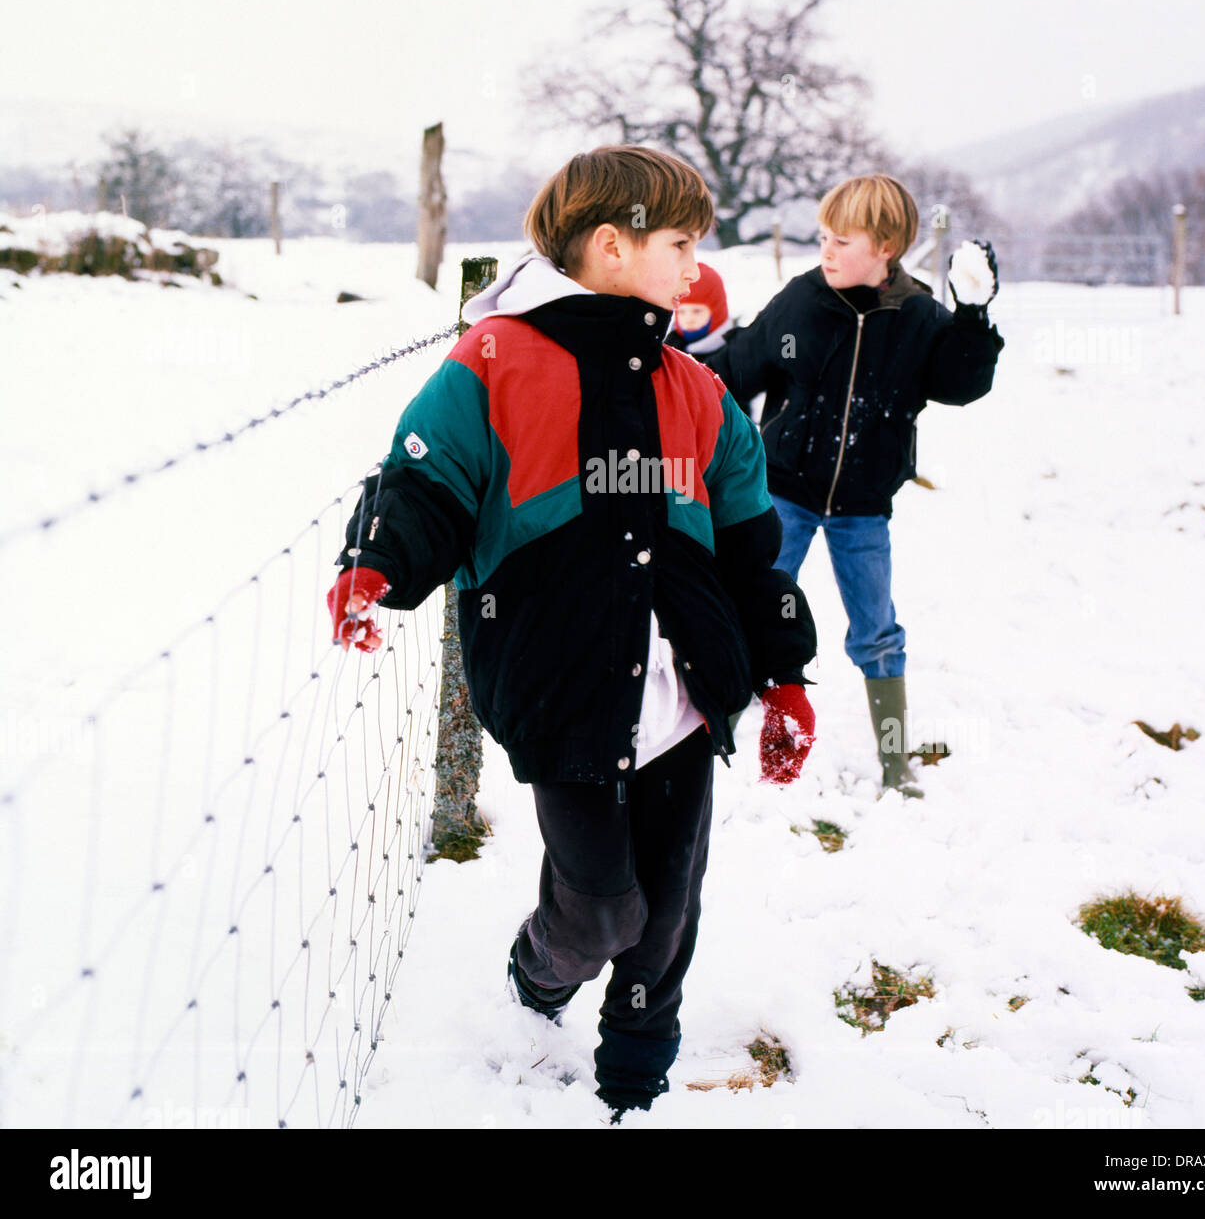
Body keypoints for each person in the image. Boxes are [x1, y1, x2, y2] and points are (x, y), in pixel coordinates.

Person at [325, 145, 817, 1121]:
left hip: (682, 694)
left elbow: (751, 549)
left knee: (664, 914)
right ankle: (540, 970)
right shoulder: (495, 361)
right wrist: (378, 560)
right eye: (679, 244)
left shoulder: (698, 391)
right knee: (602, 907)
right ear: (609, 245)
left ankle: (634, 1083)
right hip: (561, 685)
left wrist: (784, 676)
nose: (695, 268)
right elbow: (426, 482)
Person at [699, 173, 1003, 798]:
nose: (827, 251)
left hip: (864, 507)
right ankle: (714, 738)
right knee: (748, 603)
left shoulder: (919, 316)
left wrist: (973, 318)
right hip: (781, 493)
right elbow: (736, 366)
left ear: (886, 247)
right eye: (822, 237)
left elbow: (961, 384)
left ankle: (895, 762)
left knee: (877, 632)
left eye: (842, 240)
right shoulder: (801, 301)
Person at [665, 260, 733, 354]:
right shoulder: (665, 352)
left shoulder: (733, 354)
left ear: (717, 311)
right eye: (681, 312)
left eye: (697, 311)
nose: (689, 319)